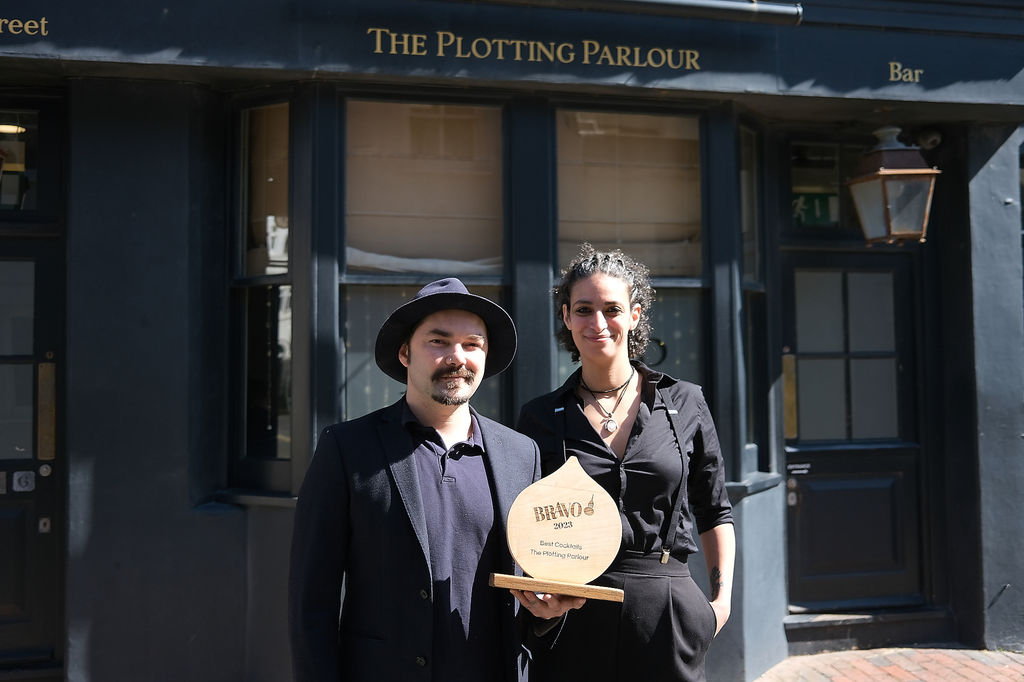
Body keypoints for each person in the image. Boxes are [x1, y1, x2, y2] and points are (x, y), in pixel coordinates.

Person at [288, 277, 580, 682]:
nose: (456, 357)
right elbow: (311, 602)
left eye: (472, 344)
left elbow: (528, 591)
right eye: (438, 341)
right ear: (405, 352)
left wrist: (546, 611)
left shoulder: (521, 454)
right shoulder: (347, 448)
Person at [516, 244, 736, 682]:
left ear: (634, 315)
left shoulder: (684, 401)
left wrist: (720, 605)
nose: (598, 323)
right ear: (565, 317)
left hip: (669, 611)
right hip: (574, 614)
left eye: (611, 308)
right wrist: (538, 597)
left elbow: (715, 509)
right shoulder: (540, 416)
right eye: (583, 309)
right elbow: (526, 520)